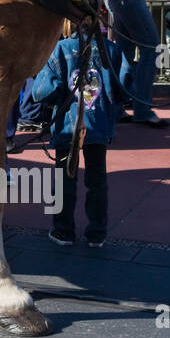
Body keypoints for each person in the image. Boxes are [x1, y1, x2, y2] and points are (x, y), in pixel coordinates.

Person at [30, 29, 133, 248]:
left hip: (67, 125)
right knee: (97, 180)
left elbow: (41, 91)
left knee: (63, 179)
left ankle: (63, 231)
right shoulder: (111, 49)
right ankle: (97, 233)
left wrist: (60, 100)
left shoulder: (60, 48)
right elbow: (124, 87)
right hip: (98, 124)